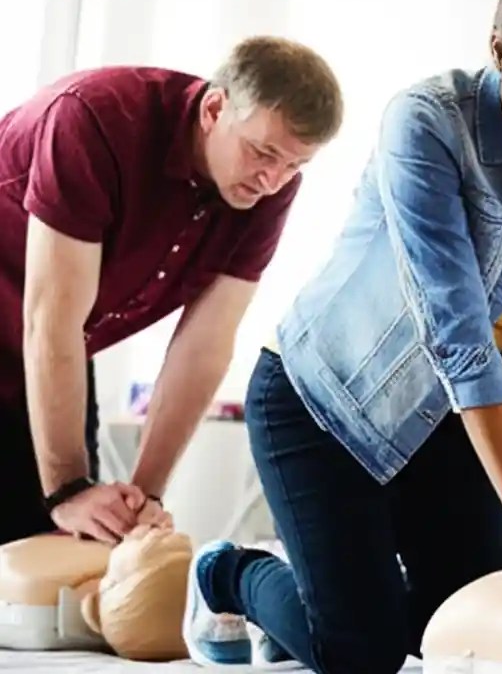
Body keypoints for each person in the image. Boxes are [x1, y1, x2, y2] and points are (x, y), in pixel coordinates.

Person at [181, 0, 502, 672]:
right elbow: (456, 333)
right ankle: (230, 574)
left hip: (452, 426)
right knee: (363, 656)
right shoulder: (426, 121)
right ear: (498, 49)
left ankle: (329, 599)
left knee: (459, 634)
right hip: (325, 405)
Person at [0, 36, 343, 548]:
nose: (273, 179)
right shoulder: (93, 120)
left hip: (56, 351)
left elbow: (204, 346)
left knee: (75, 552)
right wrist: (67, 488)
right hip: (39, 326)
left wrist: (144, 499)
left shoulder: (266, 189)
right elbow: (51, 319)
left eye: (294, 165)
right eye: (262, 152)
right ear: (213, 108)